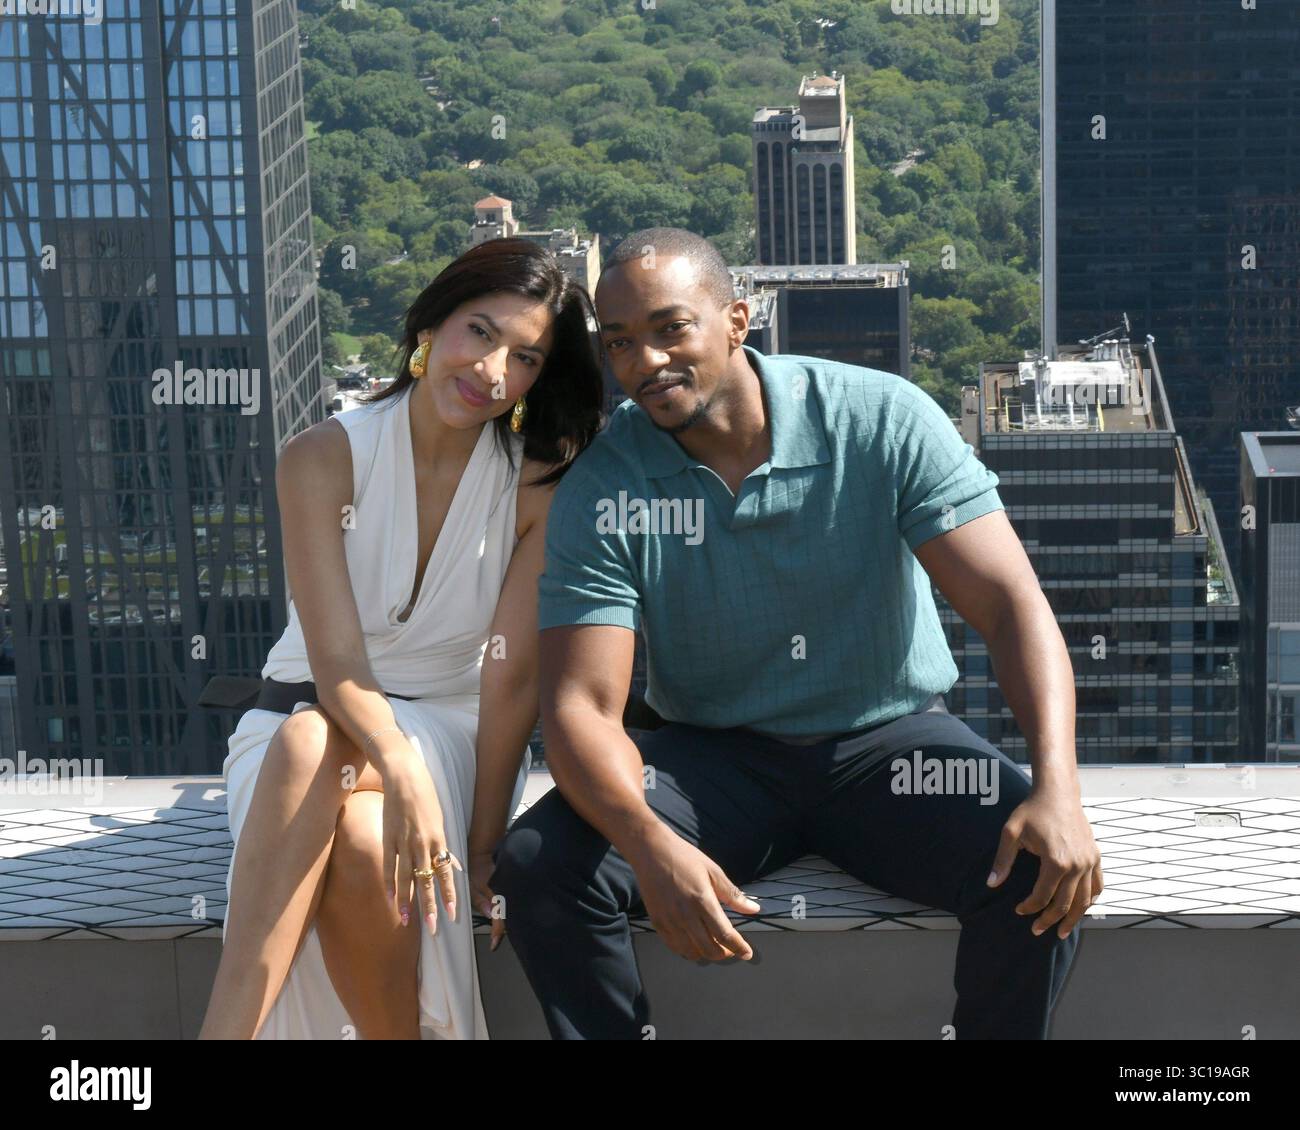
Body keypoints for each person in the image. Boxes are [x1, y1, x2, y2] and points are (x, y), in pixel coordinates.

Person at [487, 227, 1103, 1040]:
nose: (645, 364)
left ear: (738, 320)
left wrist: (1058, 784)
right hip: (714, 763)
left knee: (1037, 860)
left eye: (672, 329)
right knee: (540, 868)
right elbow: (578, 709)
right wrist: (648, 845)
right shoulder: (610, 483)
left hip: (889, 745)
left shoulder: (880, 418)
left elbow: (1009, 606)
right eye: (621, 343)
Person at [200, 238, 603, 1039]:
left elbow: (511, 681)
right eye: (479, 332)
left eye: (524, 357)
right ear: (428, 327)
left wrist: (484, 844)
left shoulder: (537, 486)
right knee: (325, 758)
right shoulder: (321, 457)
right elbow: (338, 665)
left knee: (323, 744)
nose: (491, 371)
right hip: (297, 728)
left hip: (445, 727)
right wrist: (397, 771)